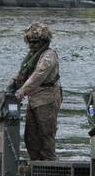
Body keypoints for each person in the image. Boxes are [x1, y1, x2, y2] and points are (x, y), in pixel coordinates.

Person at [10, 22, 61, 160]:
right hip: (34, 99)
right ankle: (35, 164)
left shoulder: (48, 56)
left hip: (47, 98)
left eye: (35, 42)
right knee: (30, 136)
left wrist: (22, 91)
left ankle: (50, 167)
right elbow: (24, 73)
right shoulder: (33, 56)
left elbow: (37, 76)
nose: (31, 46)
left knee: (46, 135)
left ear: (43, 41)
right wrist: (13, 84)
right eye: (30, 42)